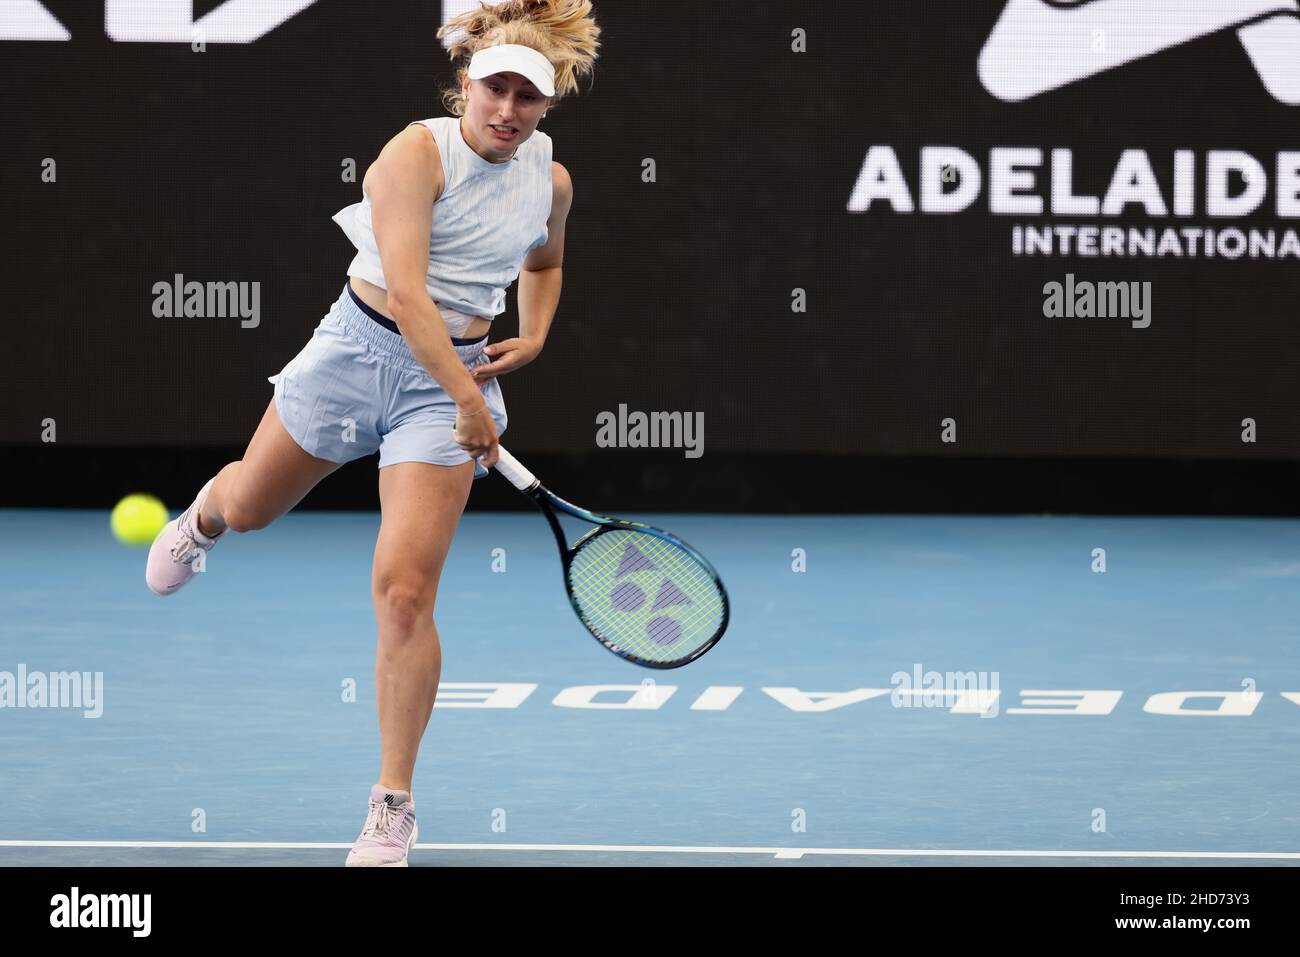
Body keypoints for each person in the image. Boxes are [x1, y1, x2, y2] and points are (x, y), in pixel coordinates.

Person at [144, 0, 600, 867]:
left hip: (447, 392)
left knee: (404, 593)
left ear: (549, 102)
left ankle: (392, 804)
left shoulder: (553, 178)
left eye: (527, 98)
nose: (507, 110)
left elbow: (545, 259)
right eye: (495, 89)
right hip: (359, 352)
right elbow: (412, 294)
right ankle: (204, 513)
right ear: (467, 83)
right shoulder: (412, 155)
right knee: (251, 508)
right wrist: (470, 400)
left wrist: (533, 336)